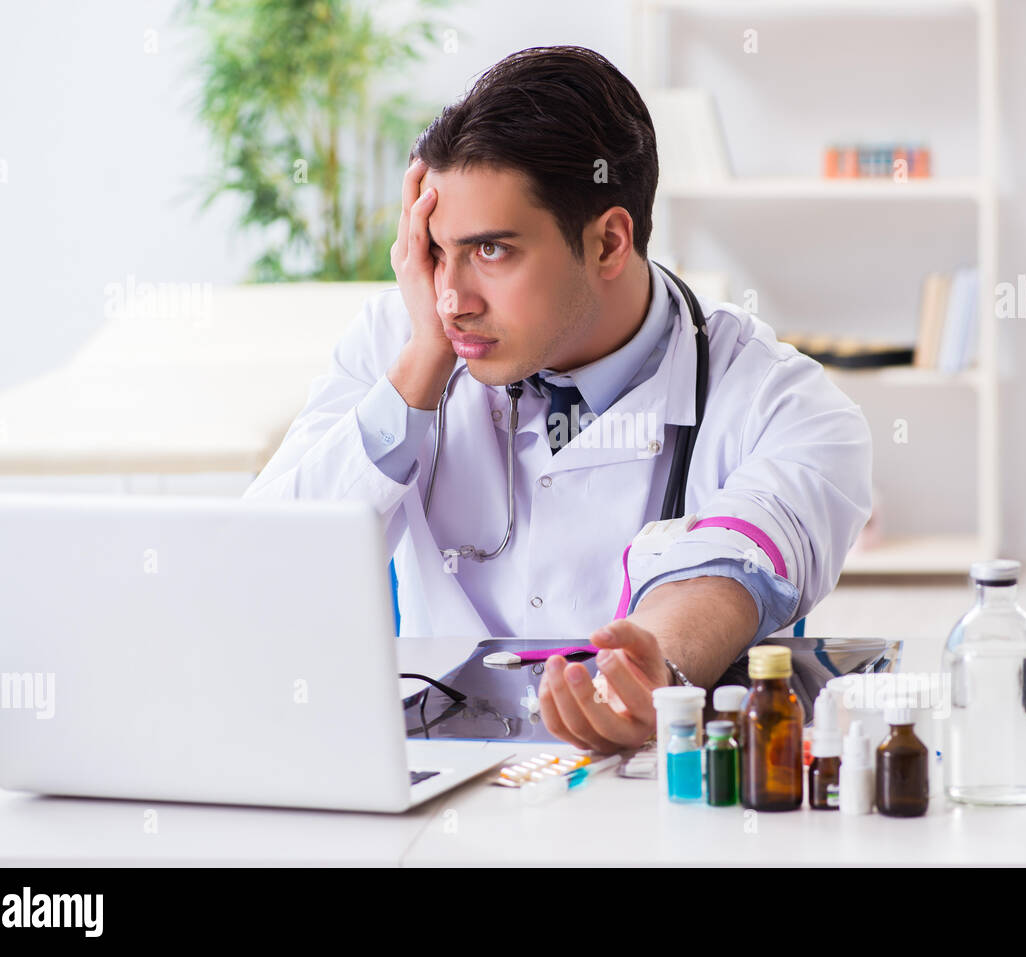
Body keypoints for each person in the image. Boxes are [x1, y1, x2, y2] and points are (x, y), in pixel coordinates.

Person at [245, 45, 872, 753]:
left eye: (490, 251)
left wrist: (645, 674)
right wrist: (420, 370)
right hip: (434, 797)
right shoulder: (402, 344)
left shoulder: (780, 404)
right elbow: (262, 571)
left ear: (608, 242)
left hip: (646, 806)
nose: (451, 298)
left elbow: (731, 568)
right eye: (434, 249)